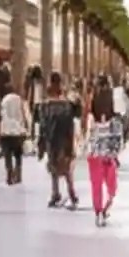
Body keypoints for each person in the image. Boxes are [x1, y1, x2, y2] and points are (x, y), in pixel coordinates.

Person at [38, 71, 79, 209]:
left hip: (52, 139)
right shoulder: (67, 104)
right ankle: (71, 193)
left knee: (54, 166)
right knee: (66, 168)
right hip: (65, 138)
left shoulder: (45, 106)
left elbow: (43, 125)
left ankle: (55, 193)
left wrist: (41, 143)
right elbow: (74, 118)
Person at [87, 77, 123, 227]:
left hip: (95, 155)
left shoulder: (92, 119)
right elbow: (118, 141)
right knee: (112, 187)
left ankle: (98, 212)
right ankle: (104, 209)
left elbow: (89, 136)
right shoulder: (115, 122)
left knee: (96, 185)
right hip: (108, 156)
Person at [0, 81, 29, 185]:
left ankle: (9, 175)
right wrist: (26, 126)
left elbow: (0, 115)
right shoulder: (19, 99)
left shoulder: (3, 101)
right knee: (18, 155)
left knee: (7, 154)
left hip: (6, 131)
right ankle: (18, 175)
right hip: (18, 131)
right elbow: (23, 114)